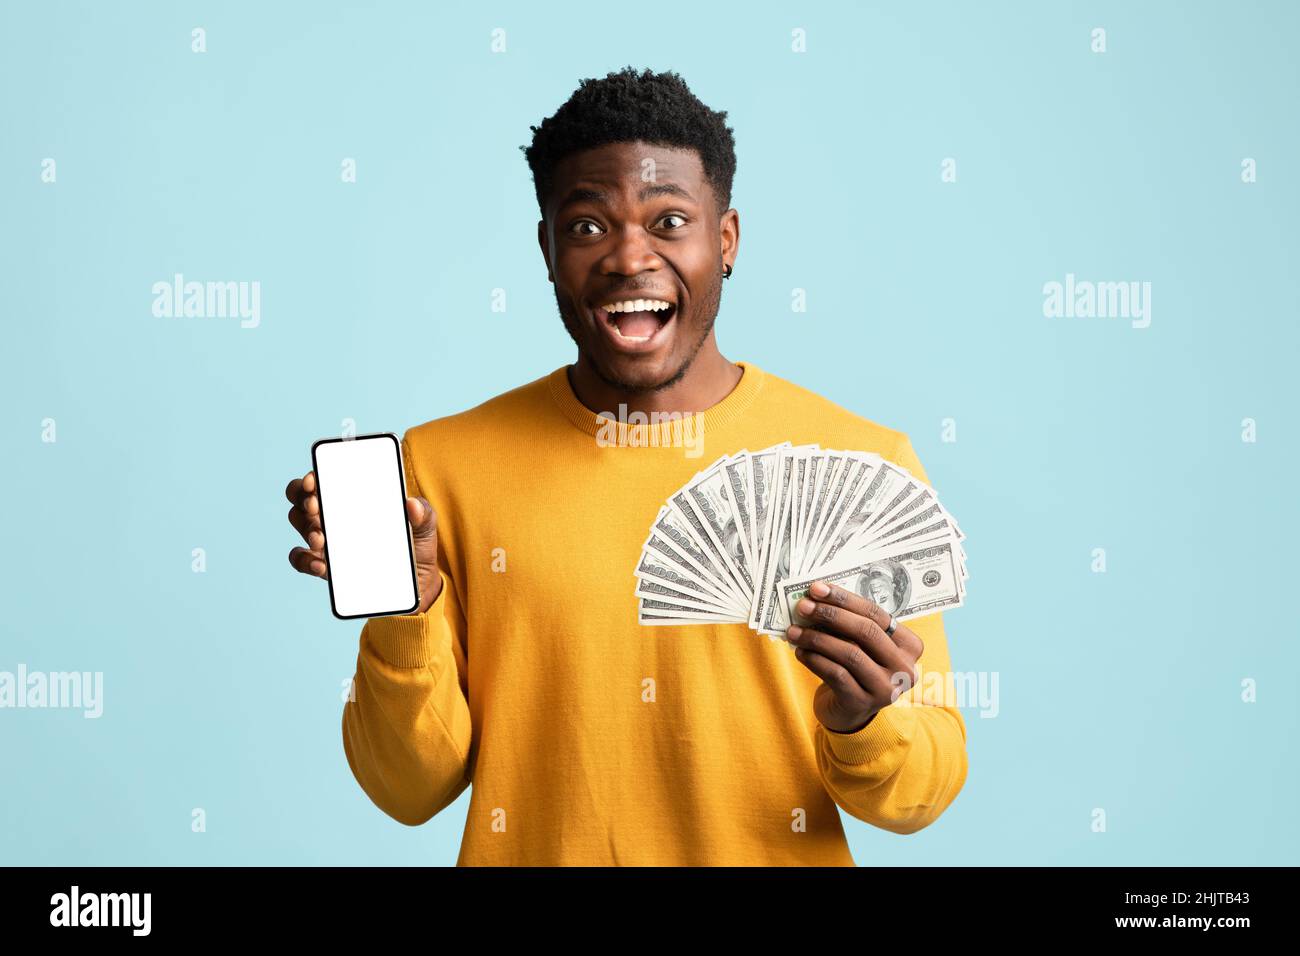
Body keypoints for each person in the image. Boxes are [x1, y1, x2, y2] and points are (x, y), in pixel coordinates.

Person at [284, 66, 968, 866]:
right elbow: (409, 789)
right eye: (586, 227)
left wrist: (863, 717)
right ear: (546, 249)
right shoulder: (438, 471)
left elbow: (926, 787)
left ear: (727, 239)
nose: (626, 257)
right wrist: (408, 608)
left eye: (670, 220)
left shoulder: (860, 460)